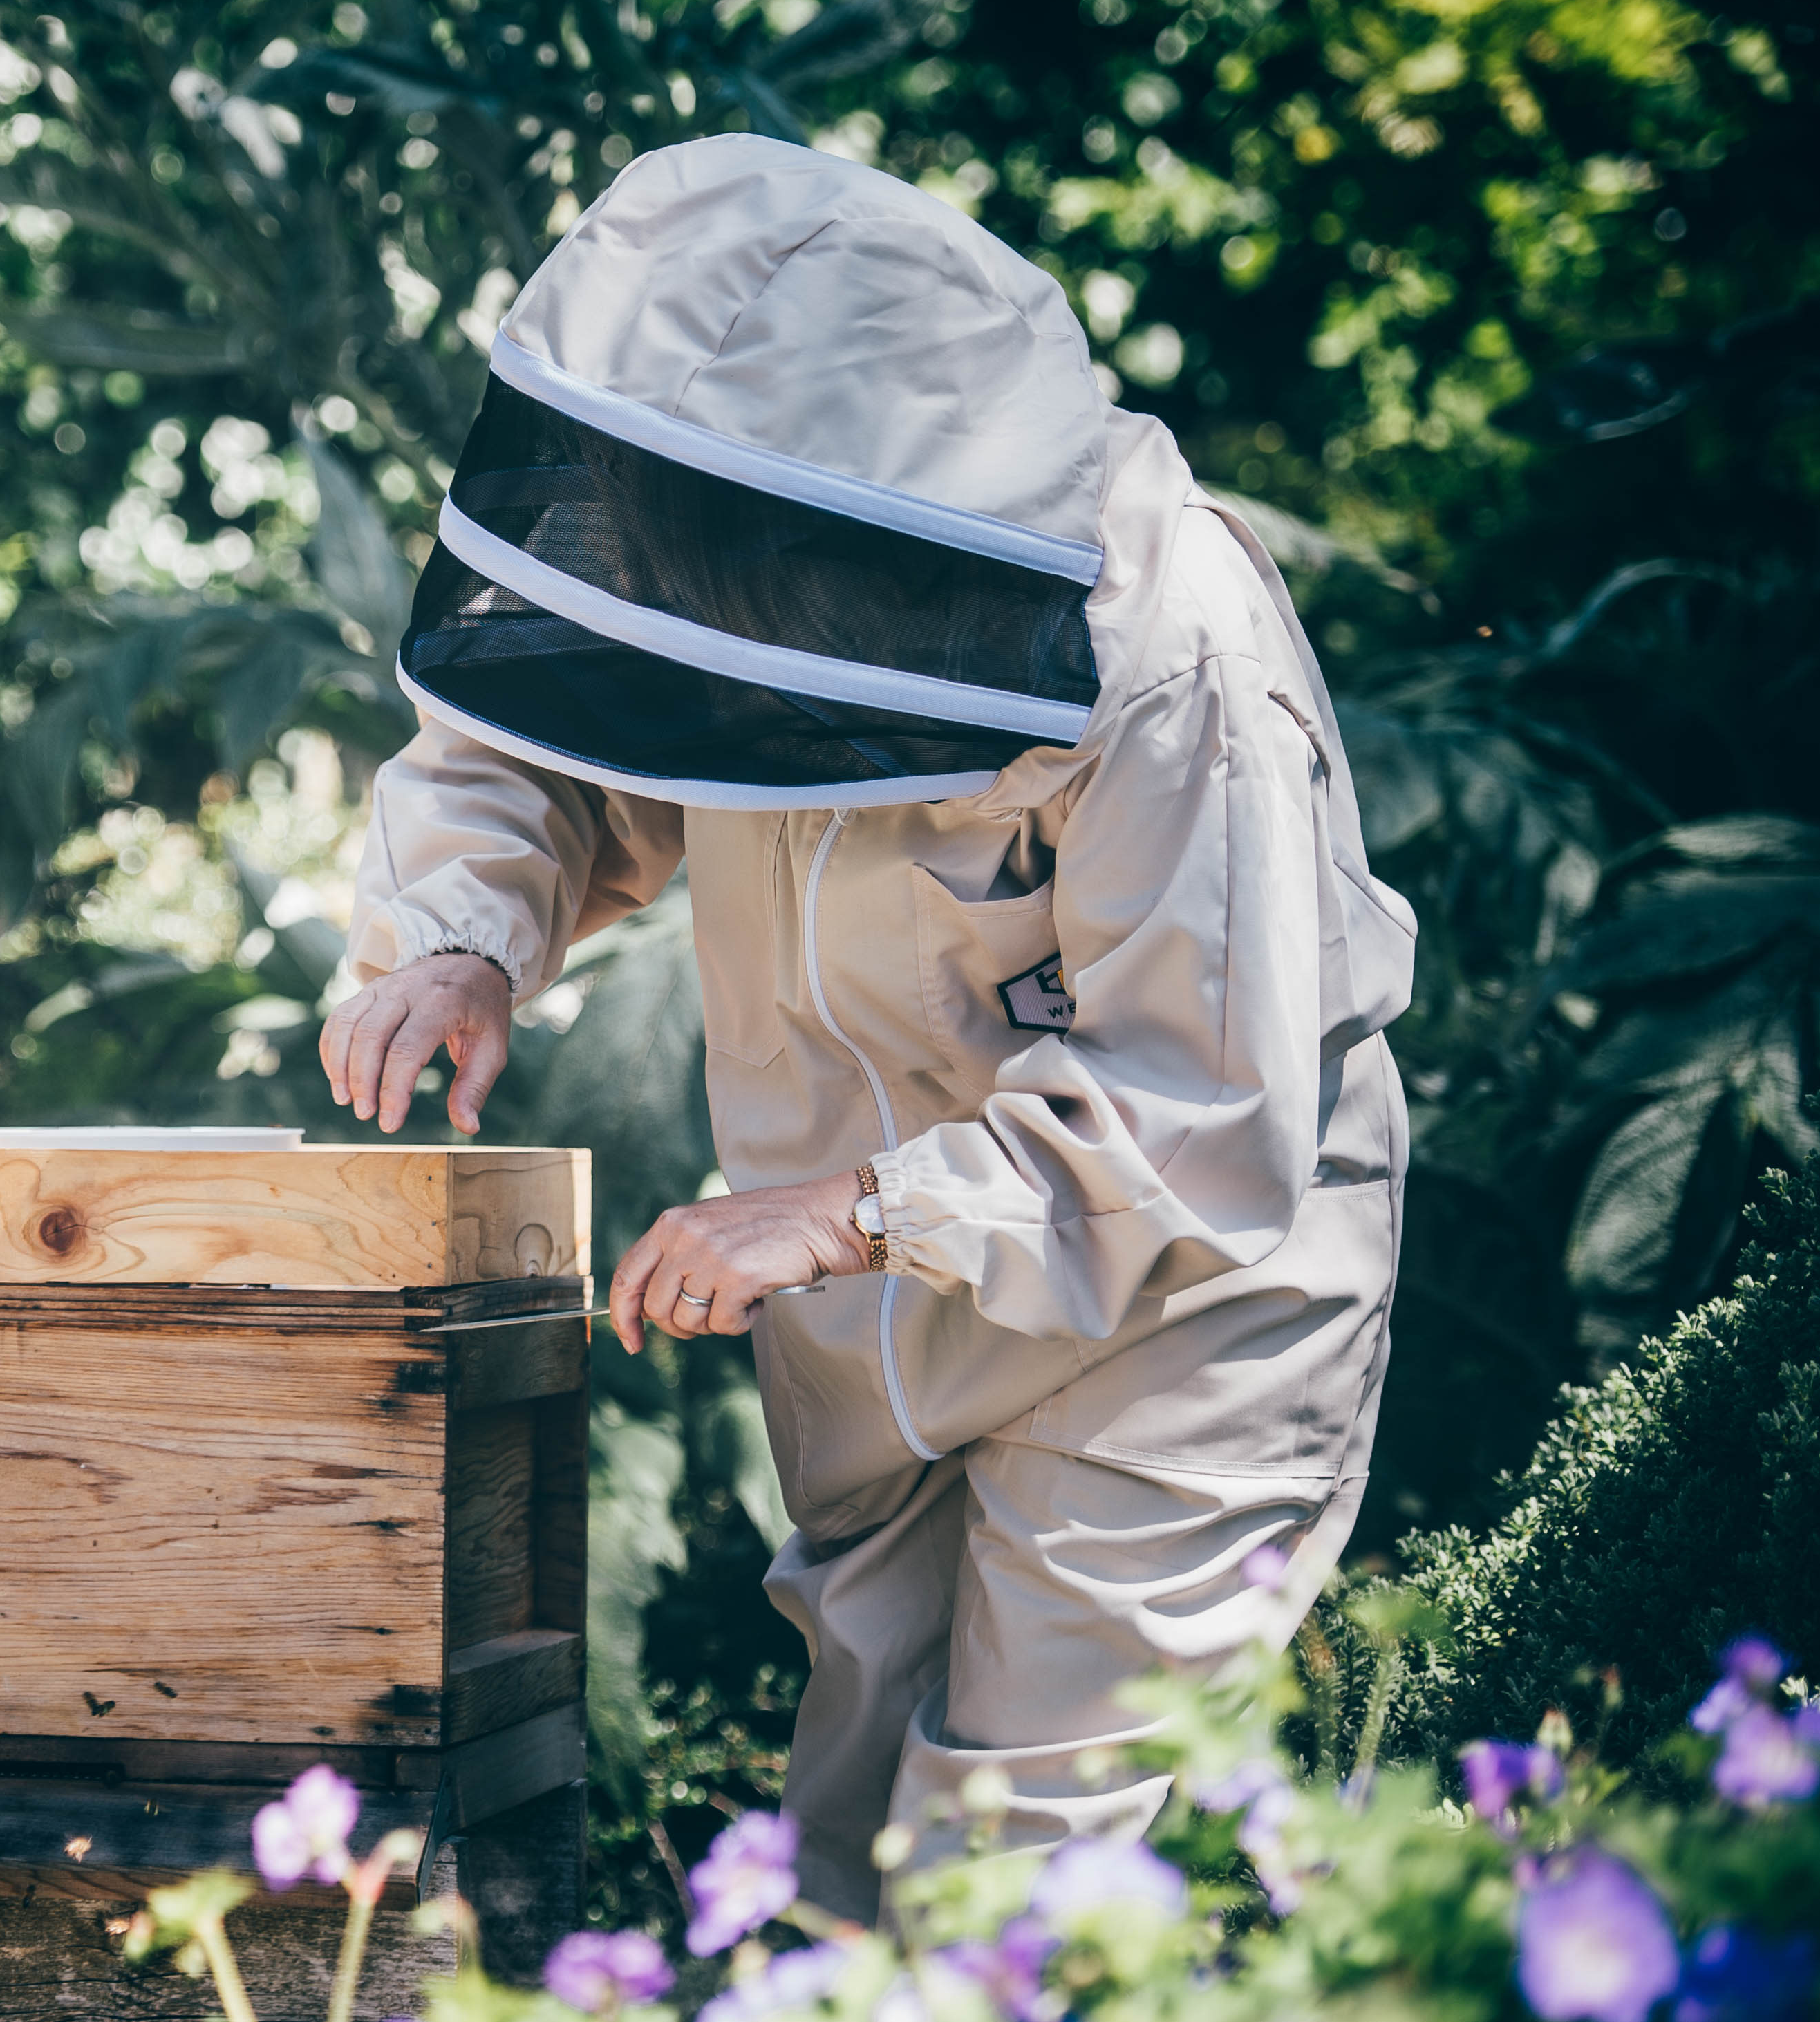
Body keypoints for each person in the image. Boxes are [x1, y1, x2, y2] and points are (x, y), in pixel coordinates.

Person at [319, 136, 1416, 1922]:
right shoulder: (734, 545)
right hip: (871, 1297)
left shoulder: (1172, 651)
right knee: (836, 1848)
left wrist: (837, 1213)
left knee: (1010, 1864)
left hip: (1180, 1293)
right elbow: (543, 741)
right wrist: (463, 938)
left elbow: (1192, 1108)